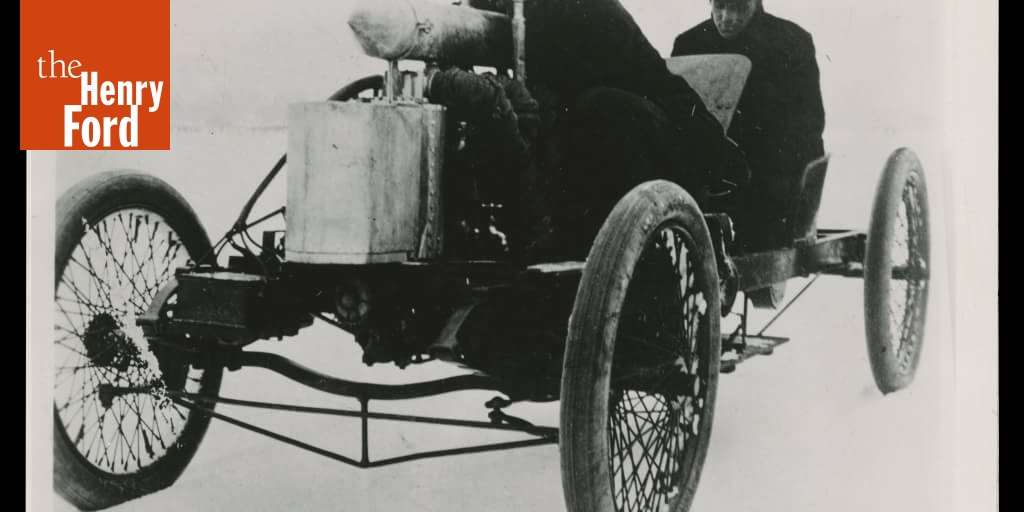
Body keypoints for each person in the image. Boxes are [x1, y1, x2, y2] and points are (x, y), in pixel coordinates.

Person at [671, 0, 826, 250]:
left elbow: (808, 126)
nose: (726, 17)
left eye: (738, 8)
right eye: (720, 6)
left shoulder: (791, 42)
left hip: (769, 175)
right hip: (712, 169)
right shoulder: (689, 44)